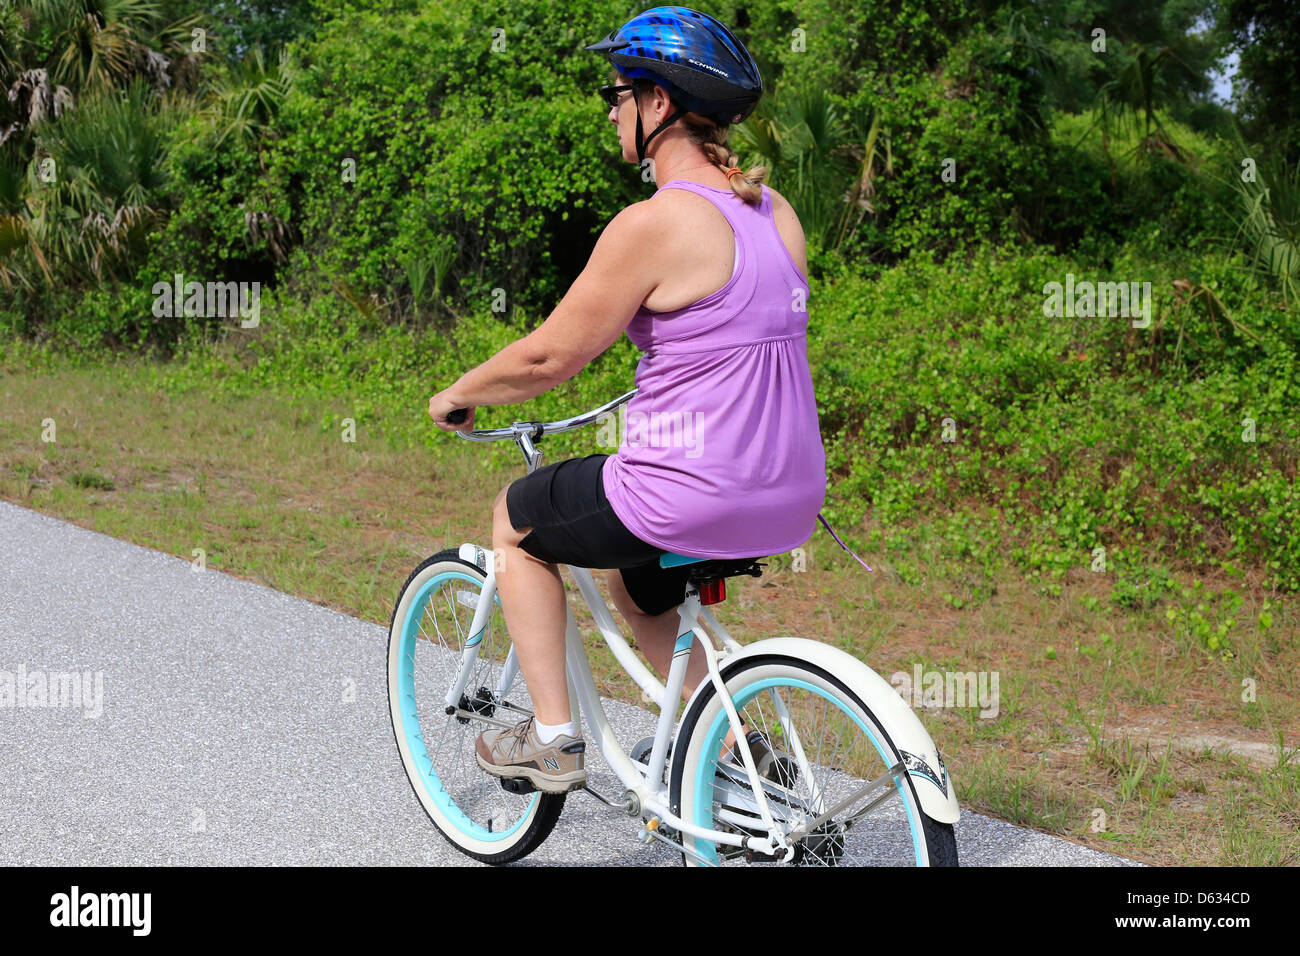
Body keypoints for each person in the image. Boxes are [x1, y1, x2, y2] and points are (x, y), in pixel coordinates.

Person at [427, 6, 827, 794]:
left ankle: (551, 741)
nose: (610, 110)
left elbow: (550, 355)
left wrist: (458, 393)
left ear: (659, 105)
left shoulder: (654, 223)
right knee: (639, 583)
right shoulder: (775, 212)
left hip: (686, 490)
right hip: (790, 496)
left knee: (517, 520)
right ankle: (743, 744)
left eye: (617, 95)